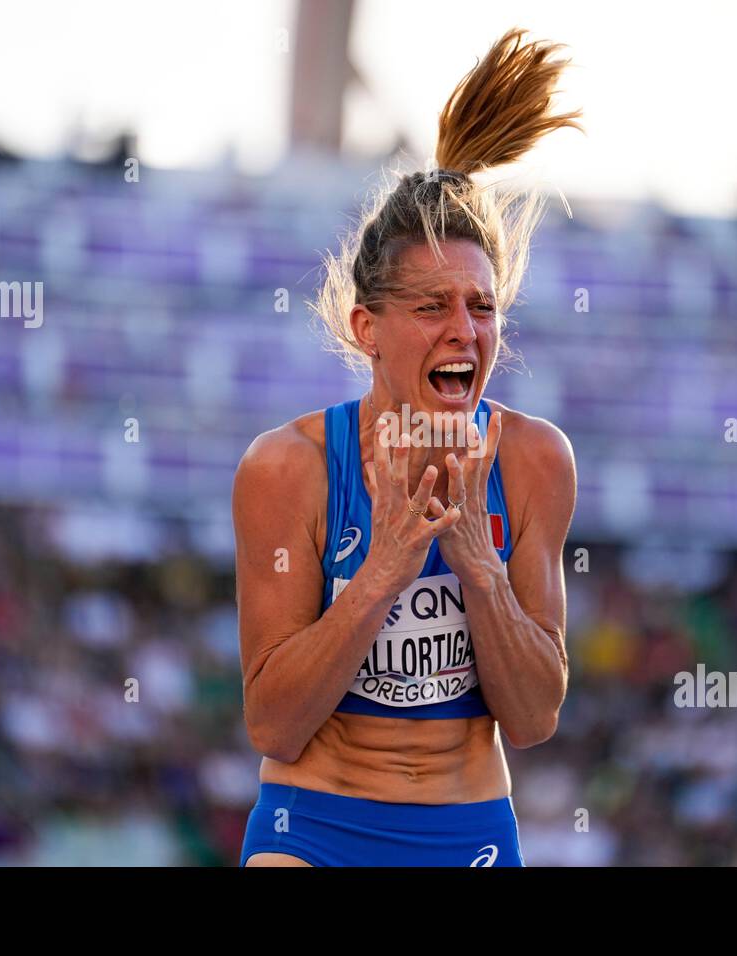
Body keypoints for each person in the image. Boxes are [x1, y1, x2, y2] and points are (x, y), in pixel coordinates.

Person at [233, 27, 581, 866]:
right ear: (367, 328)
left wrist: (477, 564)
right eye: (431, 307)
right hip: (315, 825)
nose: (464, 331)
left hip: (467, 831)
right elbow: (273, 722)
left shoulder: (533, 462)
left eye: (481, 307)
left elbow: (533, 717)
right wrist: (384, 566)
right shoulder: (290, 468)